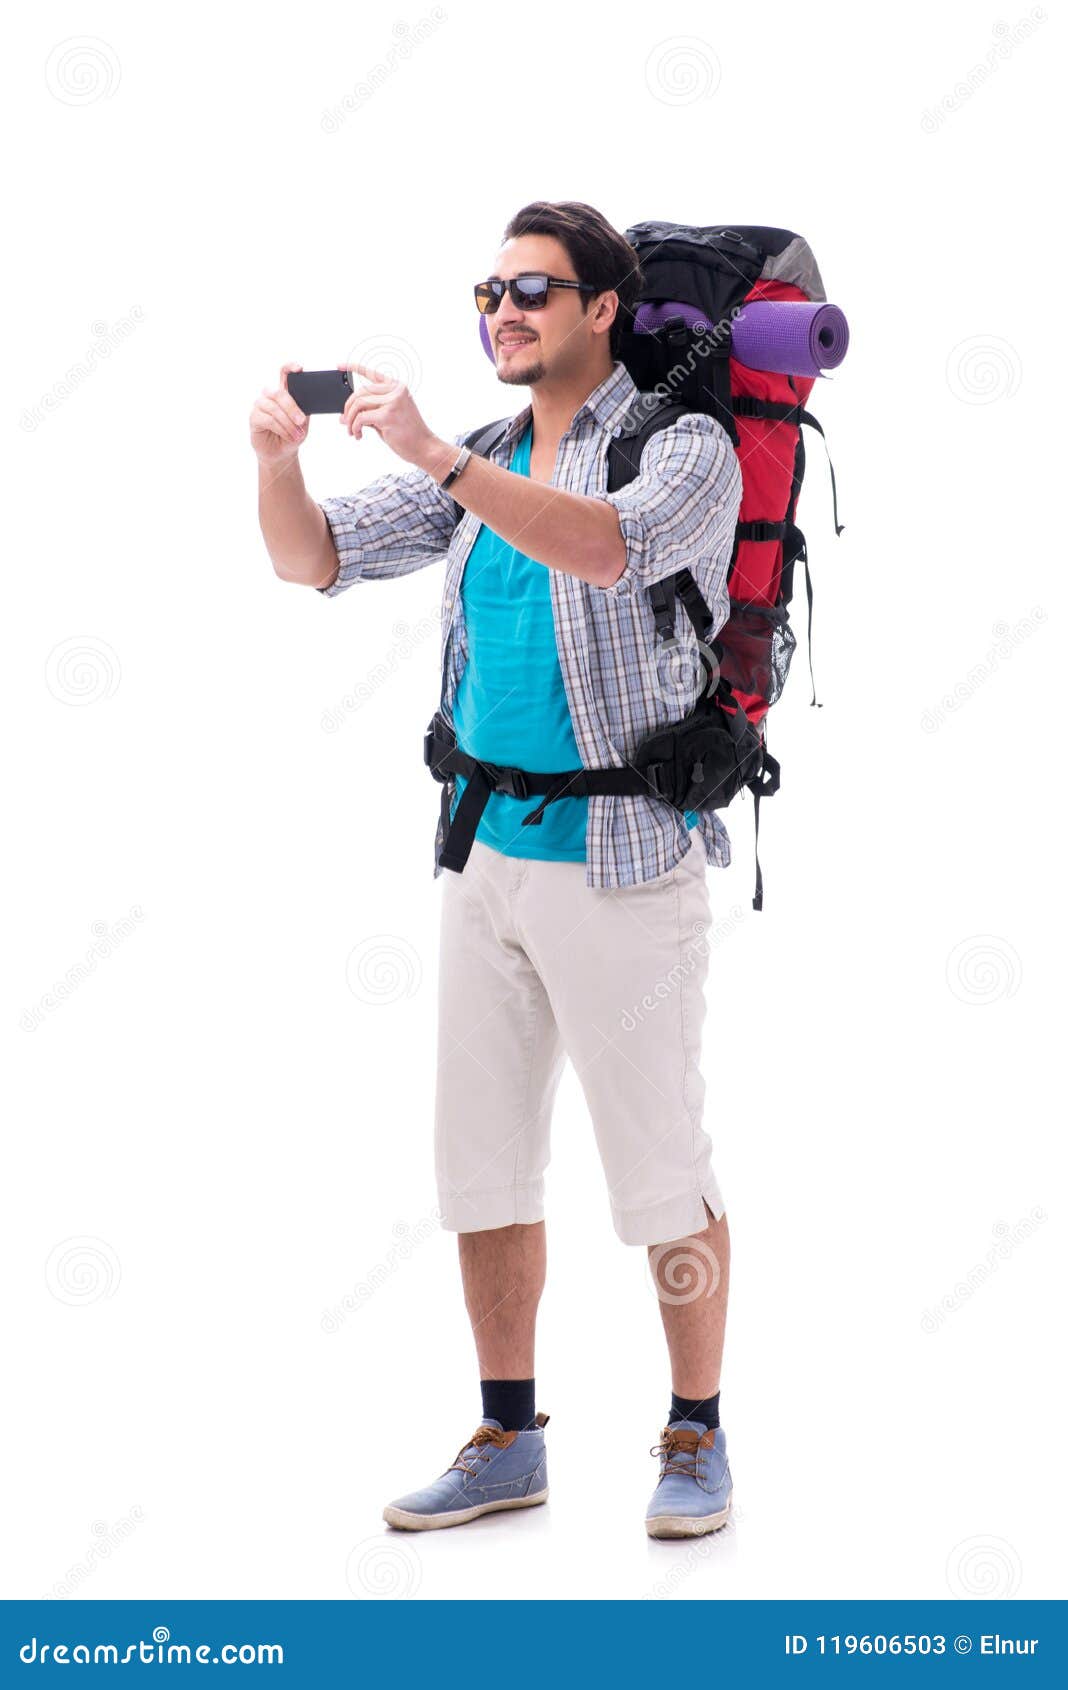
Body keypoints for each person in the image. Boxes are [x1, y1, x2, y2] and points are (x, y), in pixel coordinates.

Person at [251, 200, 743, 1539]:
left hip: (627, 859)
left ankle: (697, 1431)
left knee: (659, 1169)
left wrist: (428, 453)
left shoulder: (681, 445)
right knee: (481, 1167)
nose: (505, 309)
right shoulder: (479, 452)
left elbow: (604, 544)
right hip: (486, 858)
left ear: (602, 308)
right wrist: (276, 461)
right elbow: (314, 559)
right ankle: (509, 1433)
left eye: (536, 288)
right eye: (492, 289)